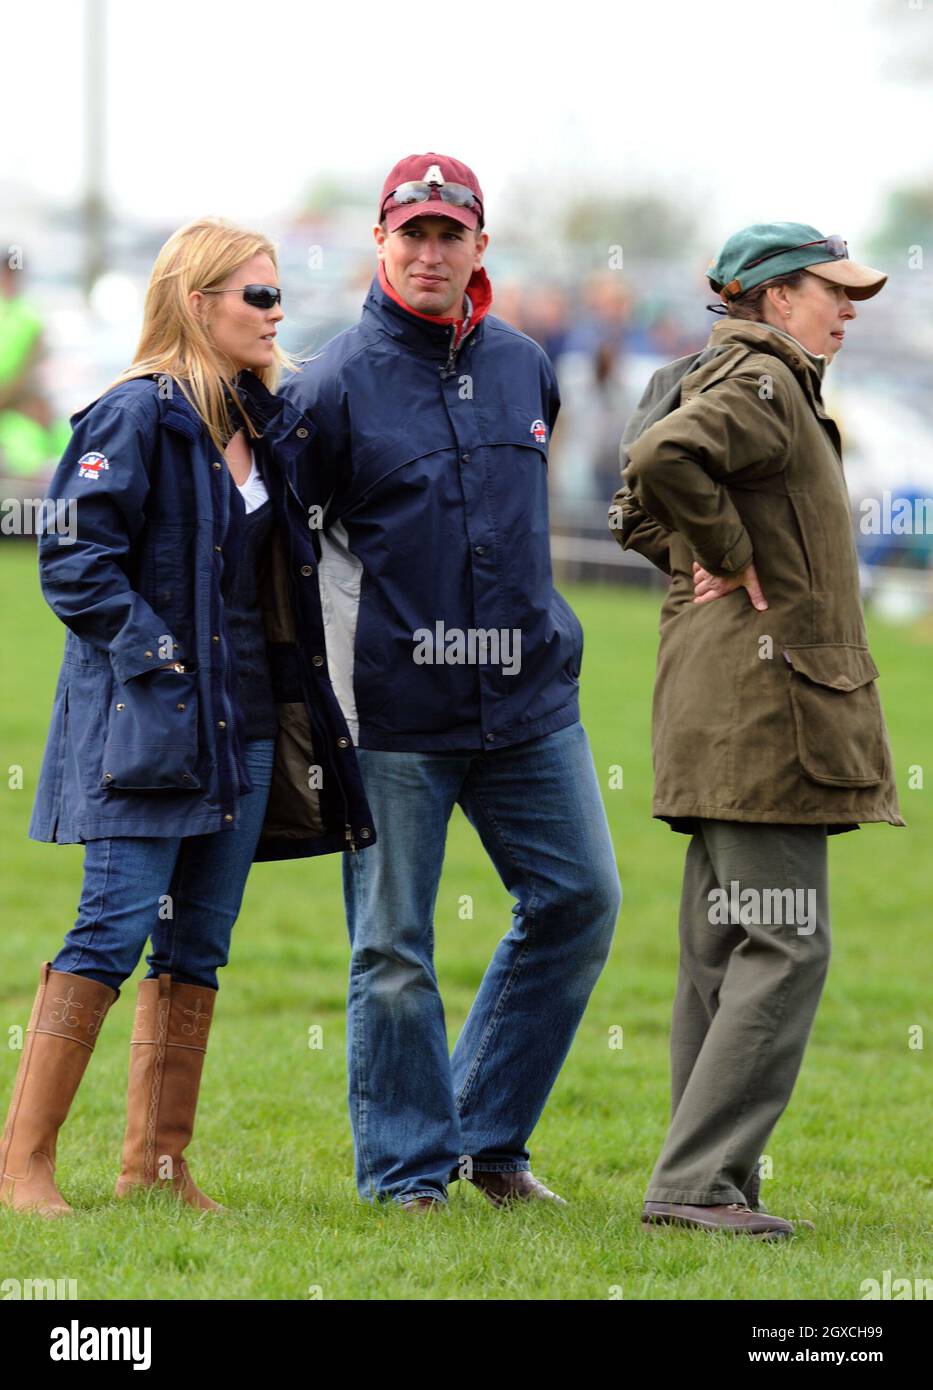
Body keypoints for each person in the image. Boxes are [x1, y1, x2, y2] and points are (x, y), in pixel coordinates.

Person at [0, 218, 373, 1218]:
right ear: (196, 301)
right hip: (149, 728)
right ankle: (22, 1168)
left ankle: (156, 1168)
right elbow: (73, 561)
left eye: (279, 293)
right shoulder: (130, 418)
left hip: (245, 732)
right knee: (111, 929)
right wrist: (155, 657)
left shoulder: (269, 424)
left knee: (196, 947)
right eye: (257, 294)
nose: (276, 311)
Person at [280, 153, 621, 1212]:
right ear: (381, 242)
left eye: (449, 234)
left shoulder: (527, 365)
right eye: (412, 233)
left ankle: (485, 1139)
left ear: (481, 246)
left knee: (580, 899)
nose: (430, 253)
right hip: (394, 713)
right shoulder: (331, 383)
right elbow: (289, 545)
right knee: (393, 948)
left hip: (529, 701)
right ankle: (404, 1174)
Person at [610, 223, 903, 1237]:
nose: (850, 308)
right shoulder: (767, 380)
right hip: (763, 717)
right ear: (779, 298)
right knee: (787, 941)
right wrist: (727, 550)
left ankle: (708, 1181)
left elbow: (629, 503)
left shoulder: (721, 370)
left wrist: (698, 547)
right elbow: (659, 457)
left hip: (725, 713)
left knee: (728, 946)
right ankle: (697, 1184)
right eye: (835, 291)